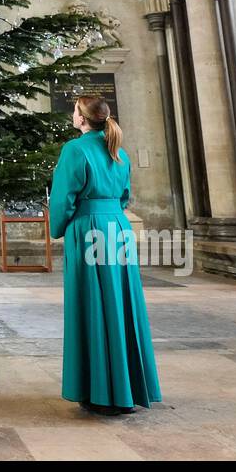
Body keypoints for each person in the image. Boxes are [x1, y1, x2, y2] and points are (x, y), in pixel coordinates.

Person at [49, 95, 161, 415]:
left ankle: (98, 389)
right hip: (118, 228)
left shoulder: (75, 149)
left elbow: (63, 198)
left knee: (93, 303)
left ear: (83, 119)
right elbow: (124, 196)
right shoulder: (119, 152)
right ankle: (126, 386)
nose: (72, 116)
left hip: (88, 228)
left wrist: (58, 228)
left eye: (74, 111)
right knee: (121, 302)